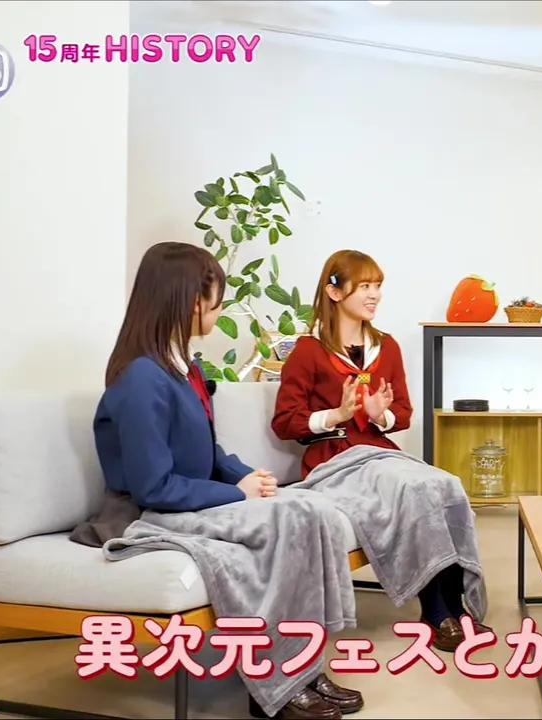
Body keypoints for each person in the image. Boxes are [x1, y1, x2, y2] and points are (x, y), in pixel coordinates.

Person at [74, 242, 363, 720]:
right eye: (216, 299)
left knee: (310, 511)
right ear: (193, 301)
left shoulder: (184, 368)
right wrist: (235, 493)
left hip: (189, 501)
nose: (219, 307)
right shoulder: (142, 378)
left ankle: (302, 666)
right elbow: (153, 487)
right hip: (146, 514)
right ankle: (276, 684)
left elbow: (205, 451)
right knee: (290, 520)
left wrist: (245, 475)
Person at [272, 249, 488, 652]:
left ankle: (456, 606)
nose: (374, 295)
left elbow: (402, 412)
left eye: (377, 286)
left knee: (446, 484)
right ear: (334, 292)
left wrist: (378, 415)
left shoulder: (386, 347)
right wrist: (336, 414)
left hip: (380, 453)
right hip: (334, 462)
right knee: (416, 489)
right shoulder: (308, 351)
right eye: (365, 287)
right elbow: (285, 421)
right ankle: (436, 611)